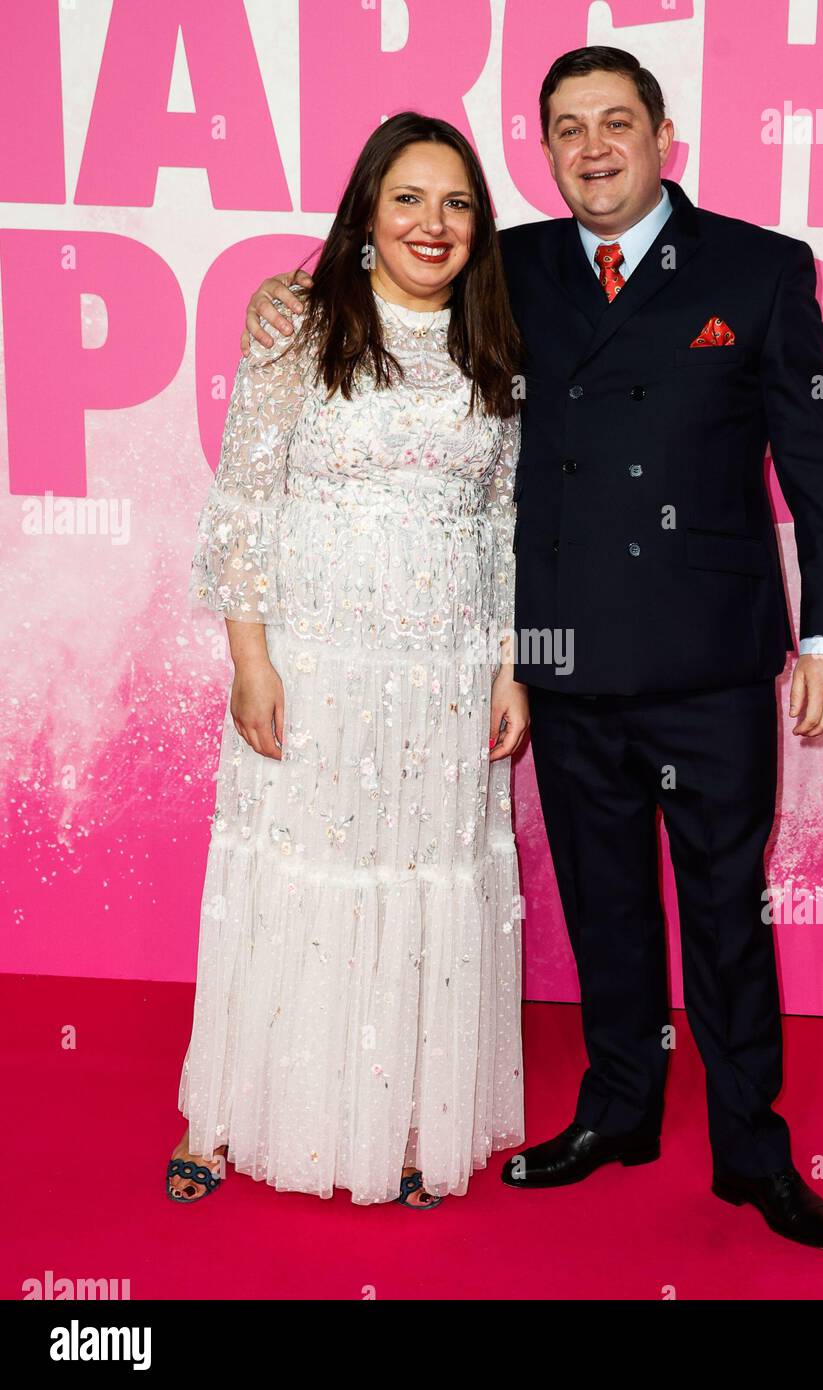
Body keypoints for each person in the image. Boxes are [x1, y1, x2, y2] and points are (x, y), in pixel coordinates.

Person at [242, 47, 823, 1249]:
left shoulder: (759, 266)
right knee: (605, 907)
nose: (591, 148)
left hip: (712, 663)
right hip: (563, 656)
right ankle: (619, 1109)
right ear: (544, 151)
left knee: (724, 913)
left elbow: (817, 470)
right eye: (566, 129)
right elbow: (388, 277)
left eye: (615, 123)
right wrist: (295, 285)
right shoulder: (511, 262)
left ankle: (750, 1148)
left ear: (662, 135)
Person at [170, 112, 528, 1210]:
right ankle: (230, 1111)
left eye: (457, 202)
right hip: (319, 661)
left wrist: (510, 666)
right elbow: (243, 502)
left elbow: (503, 520)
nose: (434, 222)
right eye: (409, 198)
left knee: (426, 878)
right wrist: (250, 659)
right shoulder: (299, 323)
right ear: (366, 213)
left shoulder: (497, 347)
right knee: (297, 870)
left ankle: (414, 1118)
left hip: (446, 671)